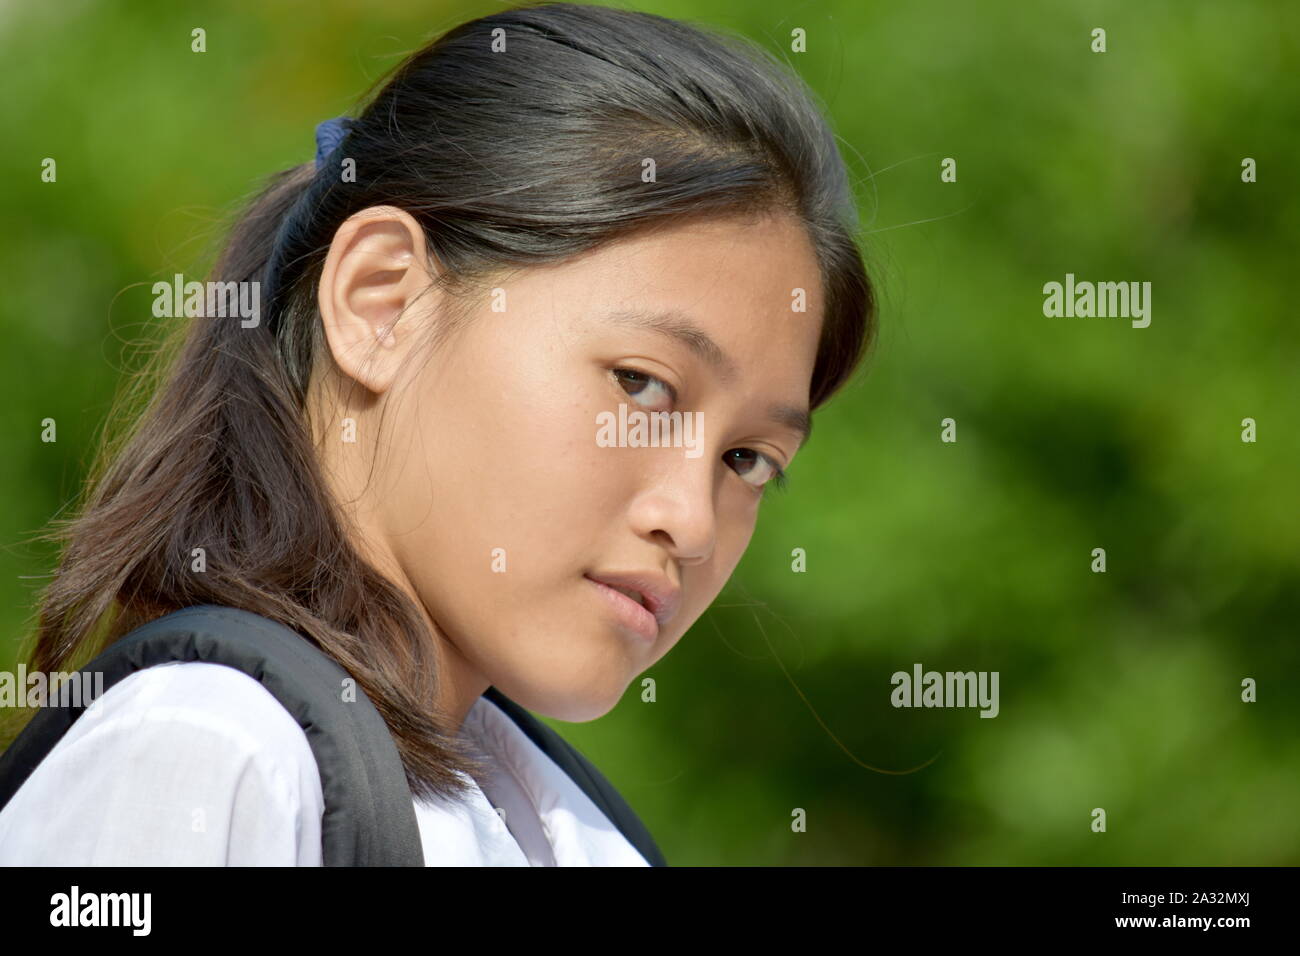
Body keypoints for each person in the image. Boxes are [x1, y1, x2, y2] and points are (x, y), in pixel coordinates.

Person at [0, 1, 876, 865]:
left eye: (746, 459)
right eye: (640, 384)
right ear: (383, 303)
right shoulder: (211, 755)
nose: (691, 523)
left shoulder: (548, 816)